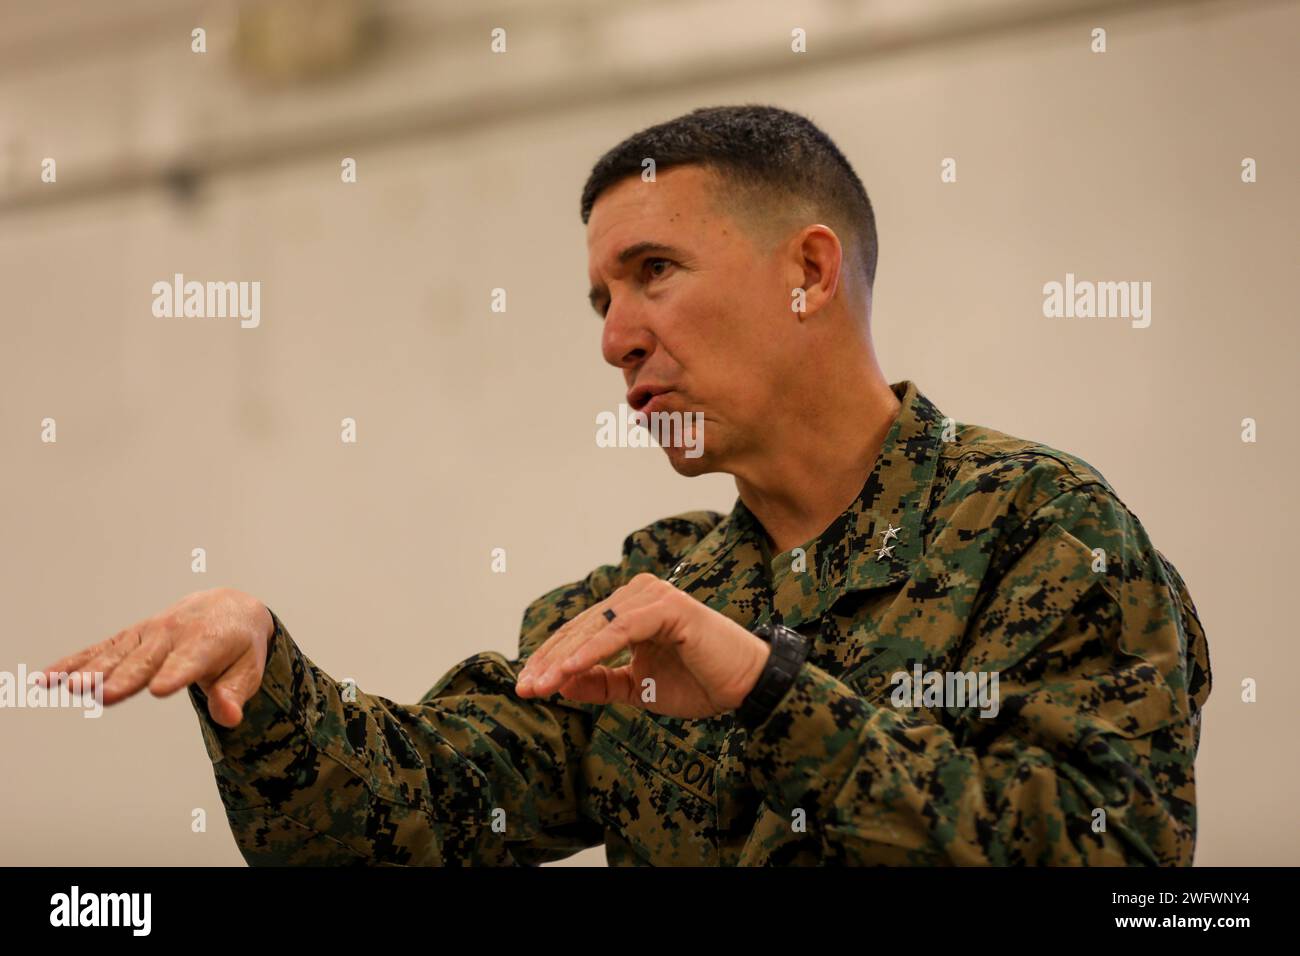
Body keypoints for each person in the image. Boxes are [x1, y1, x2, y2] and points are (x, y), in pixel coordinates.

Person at [41, 105, 1211, 866]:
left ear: (809, 270)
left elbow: (1126, 866)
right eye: (602, 299)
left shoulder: (1045, 531)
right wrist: (266, 669)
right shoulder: (652, 592)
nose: (615, 339)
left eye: (653, 272)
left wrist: (767, 691)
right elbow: (413, 818)